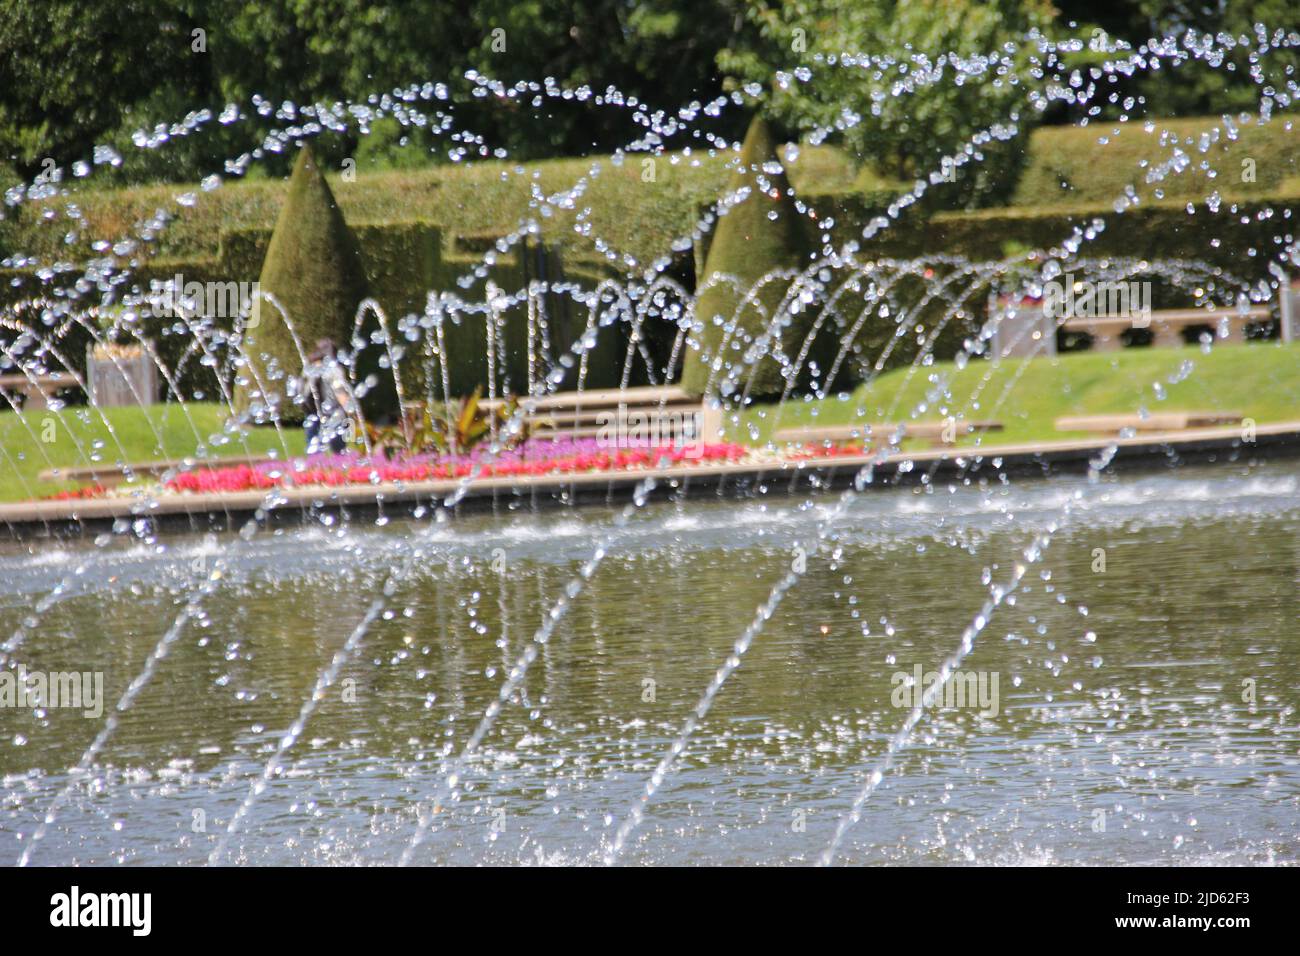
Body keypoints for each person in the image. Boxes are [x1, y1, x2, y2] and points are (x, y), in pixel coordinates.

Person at [301, 338, 356, 454]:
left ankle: (314, 470)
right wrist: (351, 411)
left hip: (312, 413)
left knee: (313, 448)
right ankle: (341, 469)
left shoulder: (309, 367)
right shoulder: (334, 369)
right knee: (339, 451)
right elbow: (339, 391)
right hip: (333, 414)